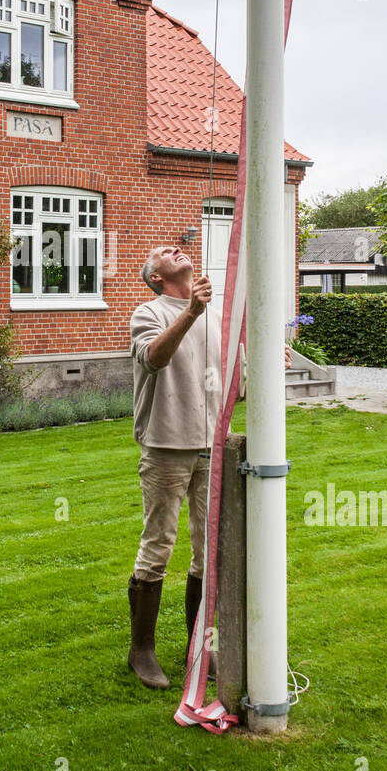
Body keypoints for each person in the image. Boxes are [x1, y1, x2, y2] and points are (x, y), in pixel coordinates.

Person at [127, 244, 292, 690]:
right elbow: (155, 358)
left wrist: (265, 368)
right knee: (158, 543)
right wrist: (192, 313)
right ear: (156, 277)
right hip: (165, 447)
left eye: (176, 247)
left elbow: (228, 390)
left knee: (207, 550)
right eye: (163, 252)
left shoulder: (217, 318)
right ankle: (141, 651)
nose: (174, 248)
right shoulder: (149, 313)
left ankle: (198, 647)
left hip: (212, 448)